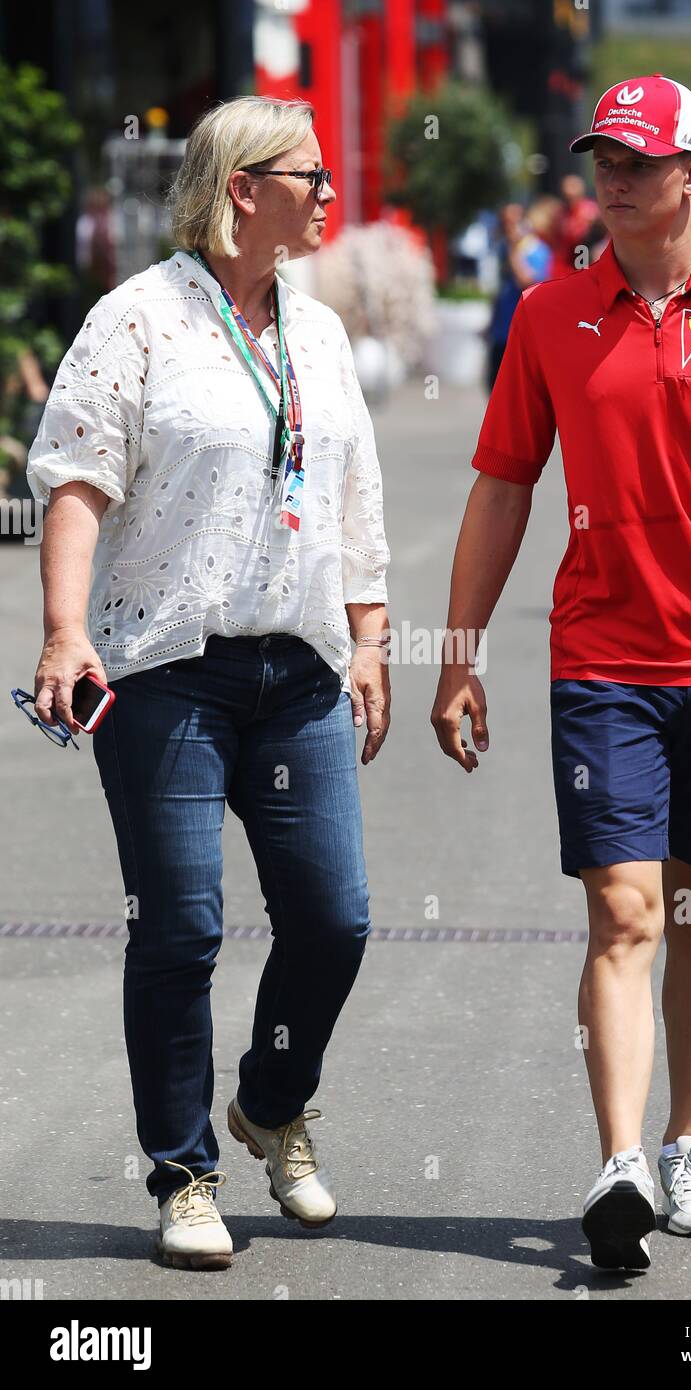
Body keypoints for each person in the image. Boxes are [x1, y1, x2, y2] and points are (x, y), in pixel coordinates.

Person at [430, 73, 691, 1273]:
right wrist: (457, 654)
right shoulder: (545, 314)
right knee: (622, 910)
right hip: (602, 659)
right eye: (597, 158)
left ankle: (687, 1140)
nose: (607, 175)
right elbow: (503, 485)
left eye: (633, 159)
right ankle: (617, 1157)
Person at [26, 96, 391, 1270]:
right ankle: (184, 1171)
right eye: (312, 176)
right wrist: (62, 633)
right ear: (244, 190)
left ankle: (272, 1104)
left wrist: (371, 638)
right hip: (166, 669)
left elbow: (352, 496)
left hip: (298, 669)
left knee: (333, 918)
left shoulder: (319, 333)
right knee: (181, 928)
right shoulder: (137, 322)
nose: (332, 195)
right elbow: (76, 482)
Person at [486, 201, 554, 391]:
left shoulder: (536, 250)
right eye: (505, 223)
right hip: (501, 331)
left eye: (513, 222)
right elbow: (498, 289)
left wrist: (515, 252)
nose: (509, 228)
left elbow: (527, 282)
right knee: (494, 385)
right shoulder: (502, 250)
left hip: (523, 331)